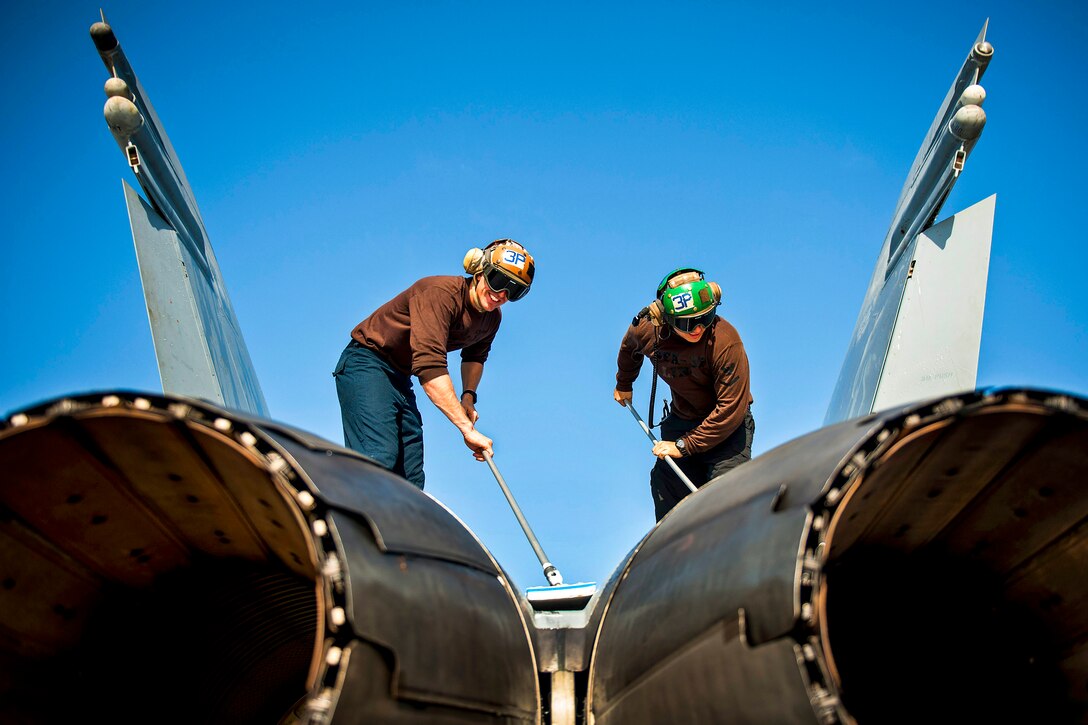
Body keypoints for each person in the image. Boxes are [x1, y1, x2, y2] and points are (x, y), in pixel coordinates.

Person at [334, 239, 535, 489]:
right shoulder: (439, 293)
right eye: (498, 281)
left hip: (399, 376)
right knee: (379, 457)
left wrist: (468, 398)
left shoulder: (491, 319)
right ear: (479, 270)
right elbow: (429, 367)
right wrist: (466, 429)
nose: (501, 294)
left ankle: (396, 527)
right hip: (367, 362)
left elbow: (475, 357)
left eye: (514, 291)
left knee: (411, 478)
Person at [613, 267, 754, 520]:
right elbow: (628, 347)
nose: (697, 329)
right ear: (663, 317)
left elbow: (731, 410)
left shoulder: (727, 341)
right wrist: (624, 383)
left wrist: (684, 445)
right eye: (687, 323)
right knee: (666, 481)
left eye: (705, 318)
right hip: (683, 419)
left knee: (727, 494)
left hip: (728, 429)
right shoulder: (647, 329)